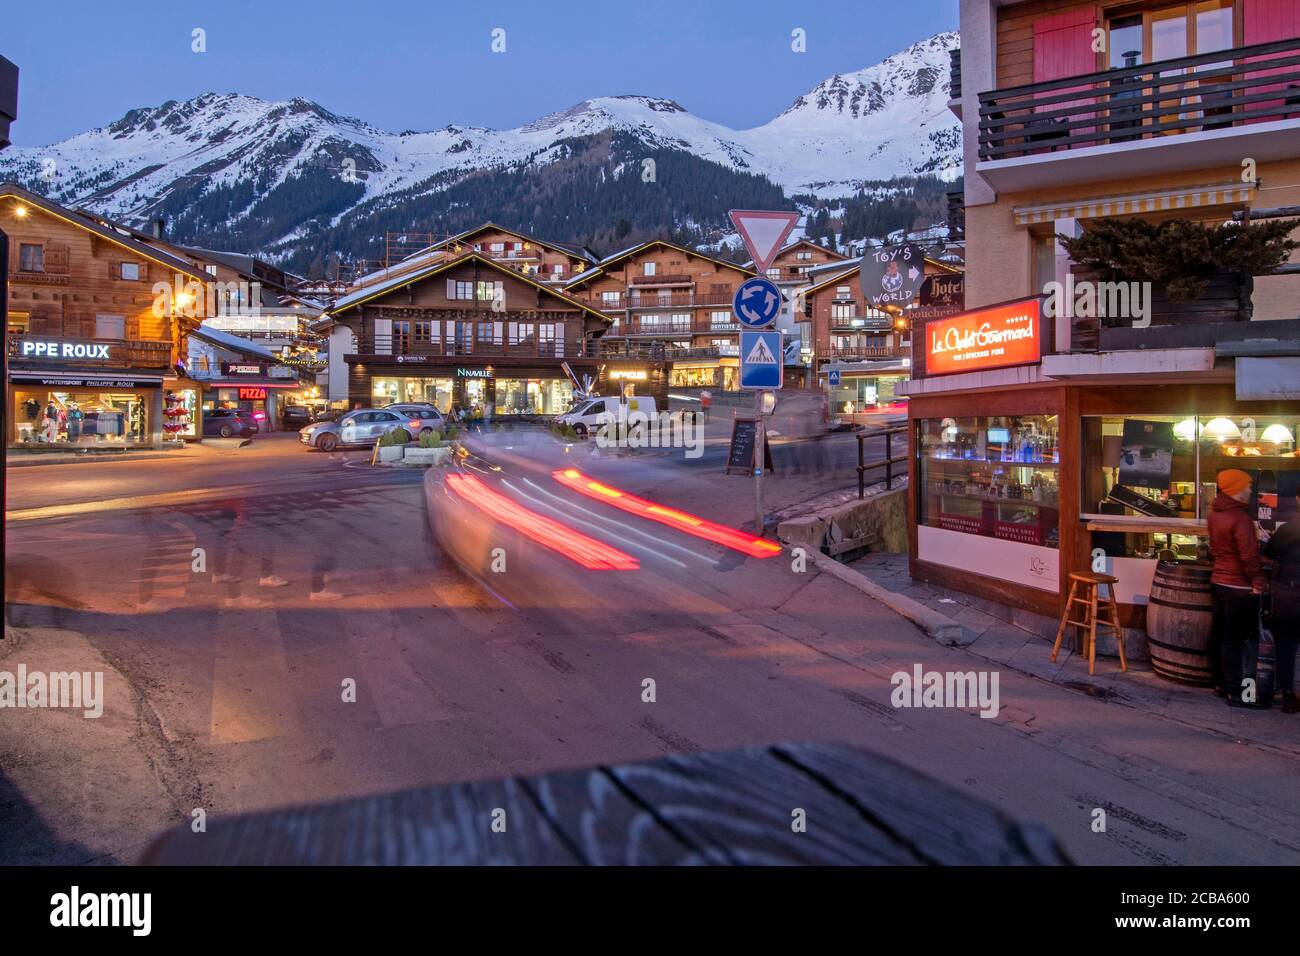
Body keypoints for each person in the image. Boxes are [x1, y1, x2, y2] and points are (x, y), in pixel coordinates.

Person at [1208, 468, 1267, 707]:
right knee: (1238, 640)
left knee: (1220, 635)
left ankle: (1221, 684)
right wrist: (1258, 581)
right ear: (1236, 489)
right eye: (1247, 485)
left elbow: (1215, 549)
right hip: (1239, 586)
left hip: (1219, 581)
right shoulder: (1240, 518)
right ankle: (1237, 692)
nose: (1250, 490)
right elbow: (1248, 556)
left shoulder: (1215, 514)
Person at [1263, 491, 1300, 714]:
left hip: (1291, 595)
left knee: (1286, 645)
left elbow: (1269, 553)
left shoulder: (1290, 529)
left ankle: (1288, 694)